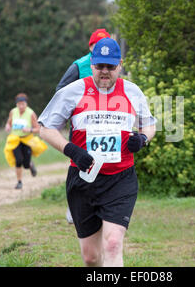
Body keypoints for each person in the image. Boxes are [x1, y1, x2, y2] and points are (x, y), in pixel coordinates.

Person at [38, 38, 157, 267]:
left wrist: (142, 139)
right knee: (91, 258)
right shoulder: (73, 91)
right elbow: (45, 128)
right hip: (83, 180)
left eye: (110, 67)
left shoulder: (132, 92)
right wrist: (72, 150)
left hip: (120, 179)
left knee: (112, 243)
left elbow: (149, 125)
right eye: (100, 66)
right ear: (91, 64)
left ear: (119, 65)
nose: (105, 72)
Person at [57, 28, 111, 224]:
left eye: (106, 45)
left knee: (105, 164)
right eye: (98, 45)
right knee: (79, 164)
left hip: (107, 124)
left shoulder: (113, 65)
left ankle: (104, 206)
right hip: (83, 125)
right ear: (90, 46)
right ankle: (74, 207)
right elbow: (60, 91)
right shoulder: (78, 66)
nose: (102, 49)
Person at [4, 93, 47, 189]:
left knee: (26, 164)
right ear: (16, 104)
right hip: (15, 139)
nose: (21, 106)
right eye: (19, 104)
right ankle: (19, 182)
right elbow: (9, 123)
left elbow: (38, 129)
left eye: (23, 104)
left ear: (26, 104)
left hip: (27, 139)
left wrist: (29, 130)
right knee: (18, 160)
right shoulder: (13, 112)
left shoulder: (31, 113)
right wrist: (7, 126)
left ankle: (30, 165)